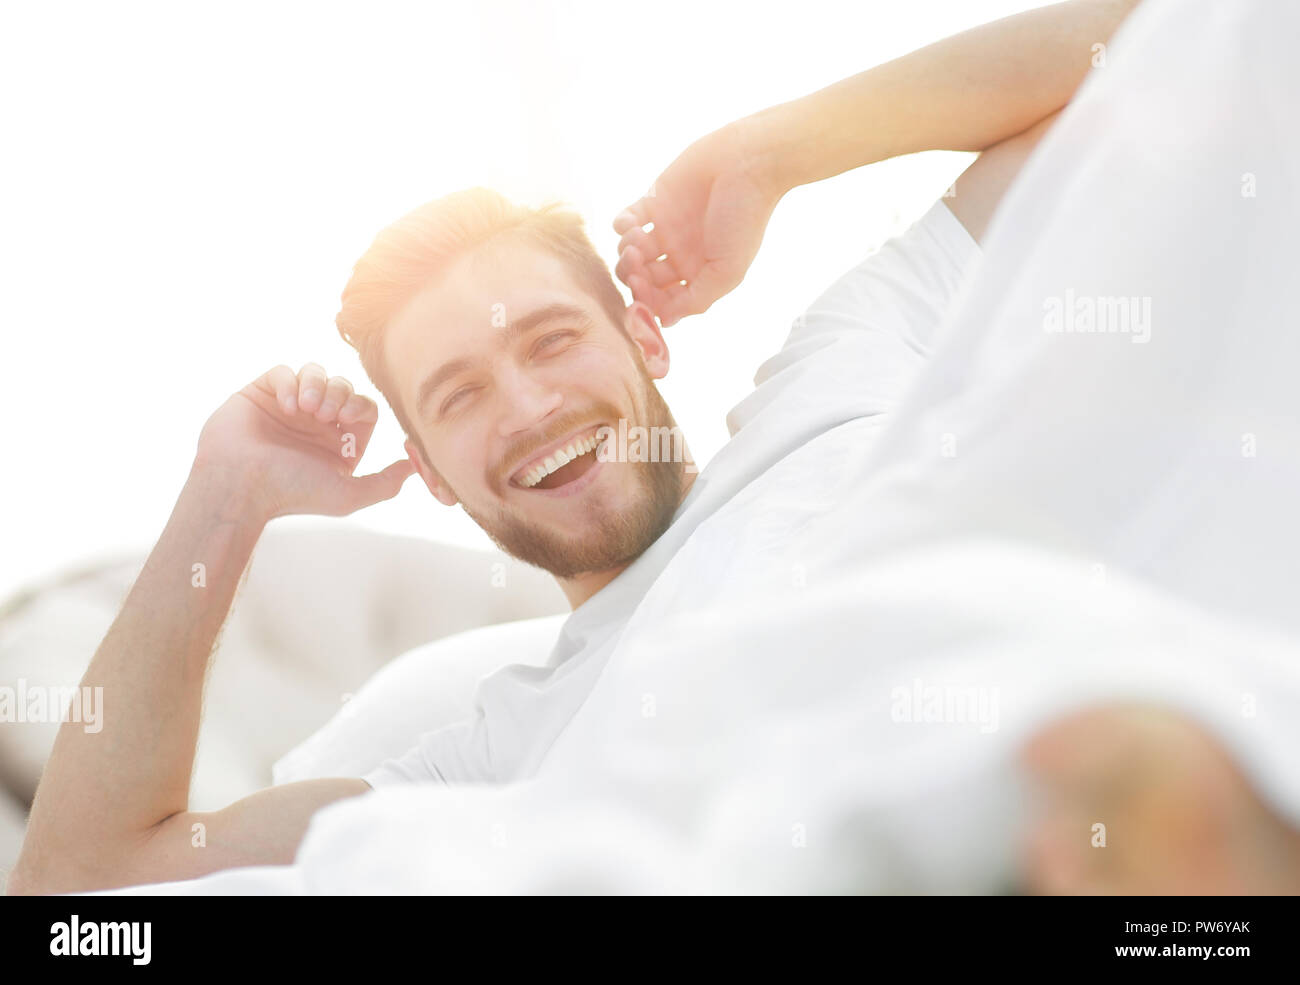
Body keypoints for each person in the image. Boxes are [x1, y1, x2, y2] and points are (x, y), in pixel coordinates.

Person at [15, 0, 1267, 895]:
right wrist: (226, 494)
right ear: (435, 477)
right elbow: (83, 886)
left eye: (552, 340)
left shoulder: (843, 363)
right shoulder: (489, 751)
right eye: (457, 396)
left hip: (1086, 753)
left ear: (644, 340)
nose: (527, 405)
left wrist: (773, 151)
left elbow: (1171, 45)